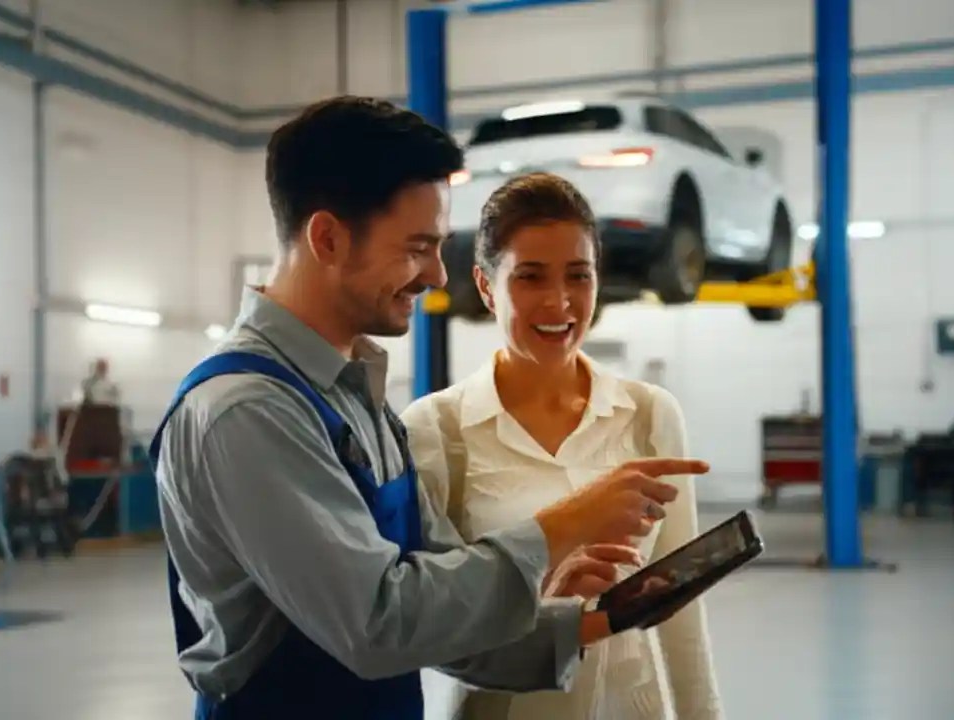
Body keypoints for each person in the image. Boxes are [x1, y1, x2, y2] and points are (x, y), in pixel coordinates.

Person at [149, 97, 710, 720]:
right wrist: (565, 525)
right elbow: (379, 622)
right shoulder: (245, 413)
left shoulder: (357, 399)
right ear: (328, 237)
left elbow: (440, 607)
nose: (438, 276)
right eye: (417, 247)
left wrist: (598, 620)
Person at [402, 173, 725, 720]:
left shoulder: (648, 416)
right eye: (530, 277)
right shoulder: (438, 430)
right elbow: (429, 626)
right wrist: (544, 595)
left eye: (579, 275)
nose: (560, 302)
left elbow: (680, 613)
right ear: (485, 286)